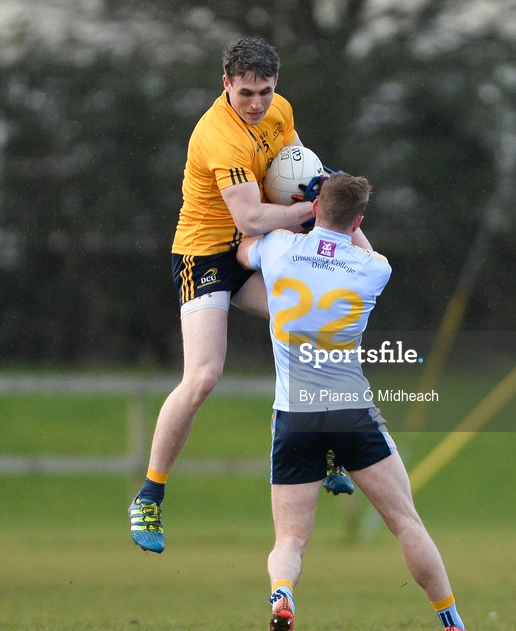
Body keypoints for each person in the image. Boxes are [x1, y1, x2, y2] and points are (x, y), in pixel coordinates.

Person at [128, 37, 363, 554]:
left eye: (266, 91)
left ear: (276, 85)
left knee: (315, 325)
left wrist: (325, 192)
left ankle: (325, 444)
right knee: (203, 376)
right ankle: (149, 495)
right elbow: (252, 216)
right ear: (226, 84)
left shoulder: (279, 111)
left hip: (253, 248)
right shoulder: (219, 136)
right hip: (205, 255)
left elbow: (294, 170)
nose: (257, 104)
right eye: (246, 93)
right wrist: (312, 209)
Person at [236, 173, 469, 631]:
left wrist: (292, 210)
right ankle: (451, 621)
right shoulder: (373, 268)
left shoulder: (279, 247)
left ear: (315, 207)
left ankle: (282, 592)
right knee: (406, 523)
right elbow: (357, 243)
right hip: (350, 411)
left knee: (290, 539)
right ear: (359, 219)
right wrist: (337, 215)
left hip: (295, 414)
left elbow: (243, 249)